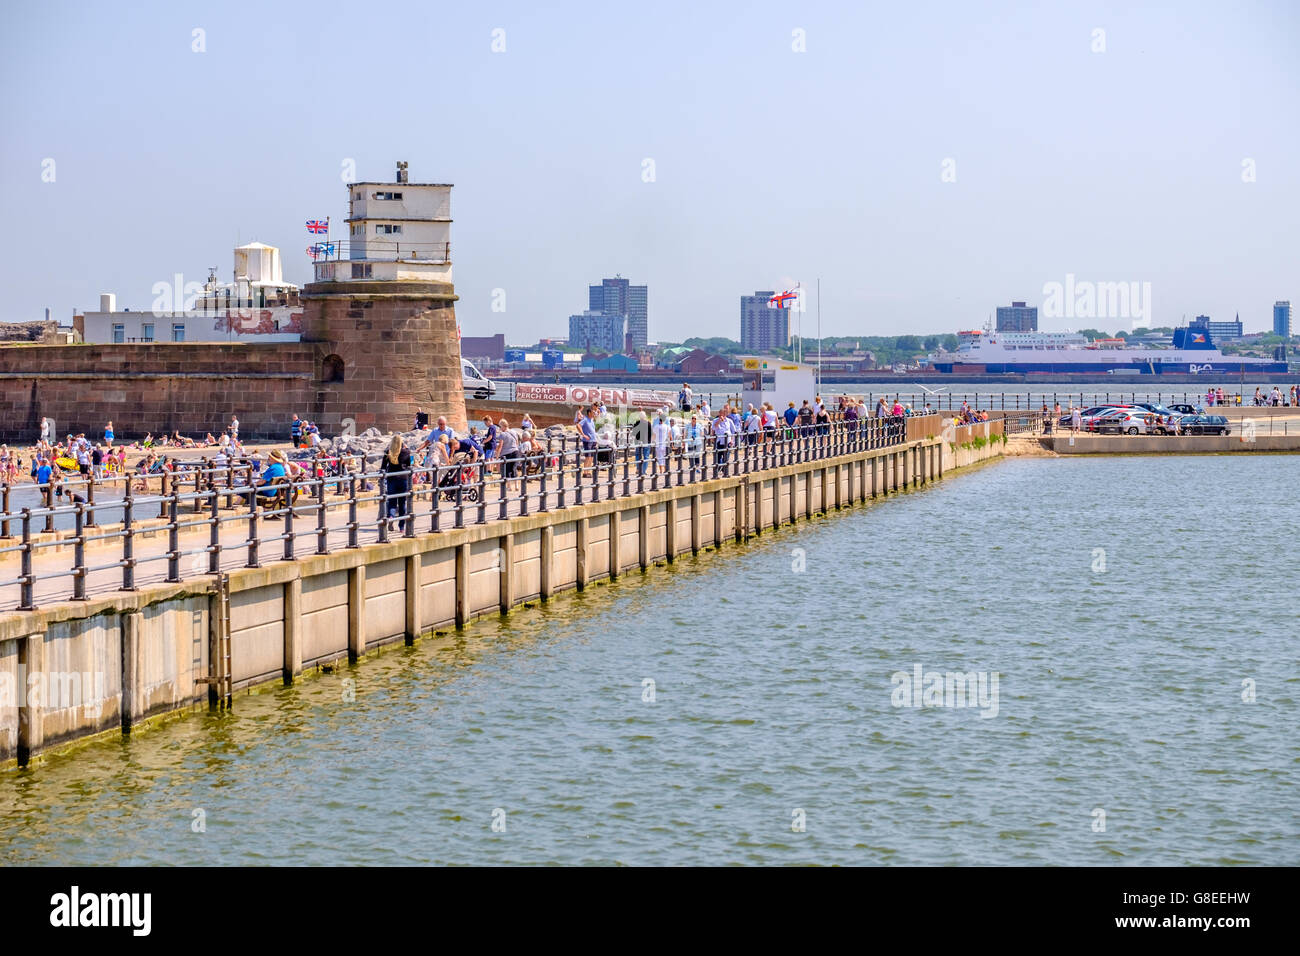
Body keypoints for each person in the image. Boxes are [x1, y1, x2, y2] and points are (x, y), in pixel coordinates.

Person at [379, 435, 412, 532]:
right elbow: (409, 465)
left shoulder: (387, 452)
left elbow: (383, 467)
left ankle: (391, 517)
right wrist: (407, 448)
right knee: (402, 503)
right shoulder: (406, 452)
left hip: (391, 479)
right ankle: (401, 527)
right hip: (403, 479)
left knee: (392, 502)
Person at [631, 411, 653, 477]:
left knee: (638, 455)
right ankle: (643, 471)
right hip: (646, 442)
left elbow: (633, 433)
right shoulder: (648, 423)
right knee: (646, 456)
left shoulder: (637, 423)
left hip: (638, 442)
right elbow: (651, 433)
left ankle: (638, 469)